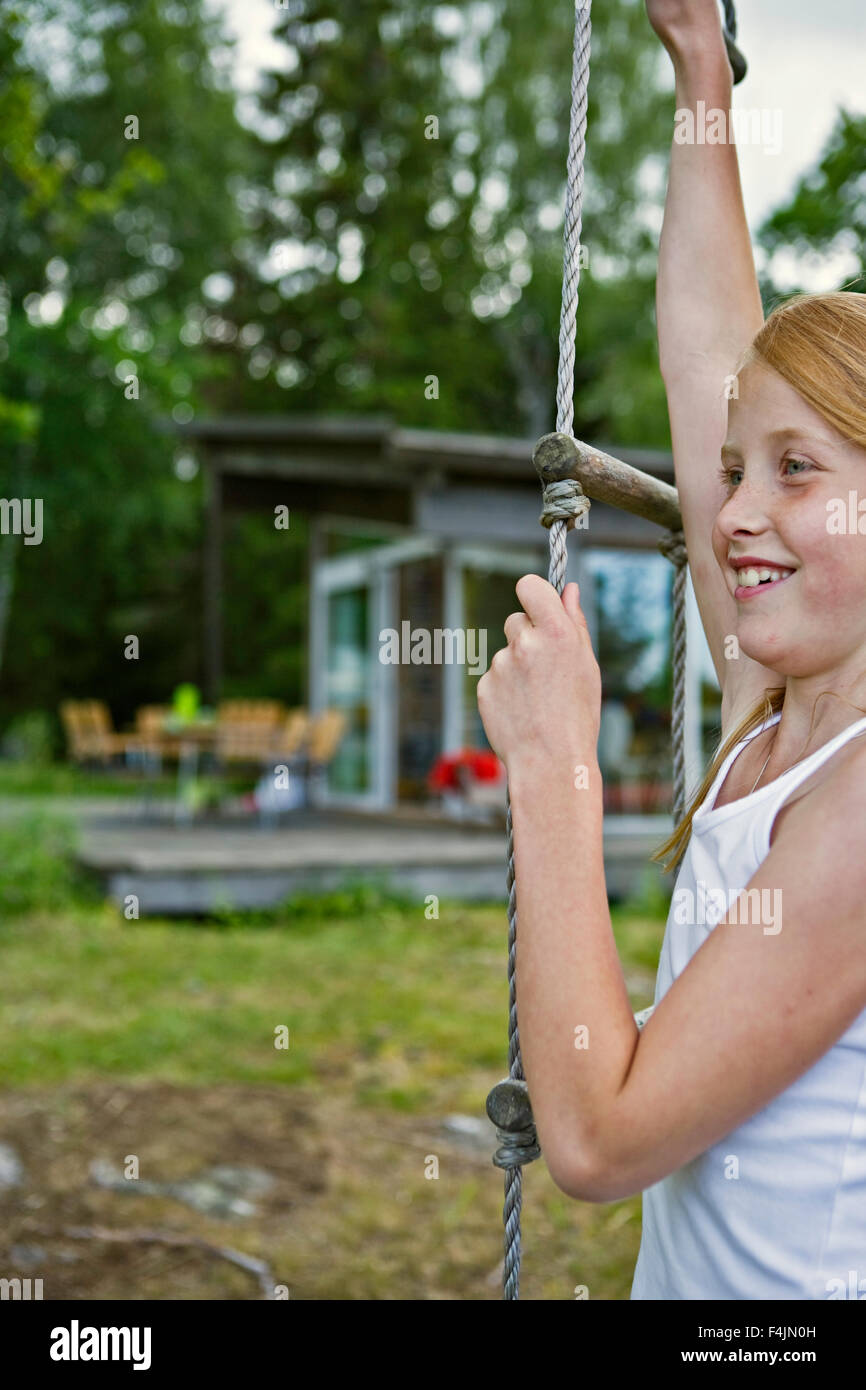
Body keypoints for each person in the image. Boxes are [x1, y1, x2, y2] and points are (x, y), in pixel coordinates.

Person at [476, 0, 866, 1300]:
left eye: (793, 470)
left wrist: (551, 771)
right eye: (728, 472)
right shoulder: (774, 702)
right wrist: (700, 65)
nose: (734, 512)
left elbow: (595, 1134)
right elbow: (710, 340)